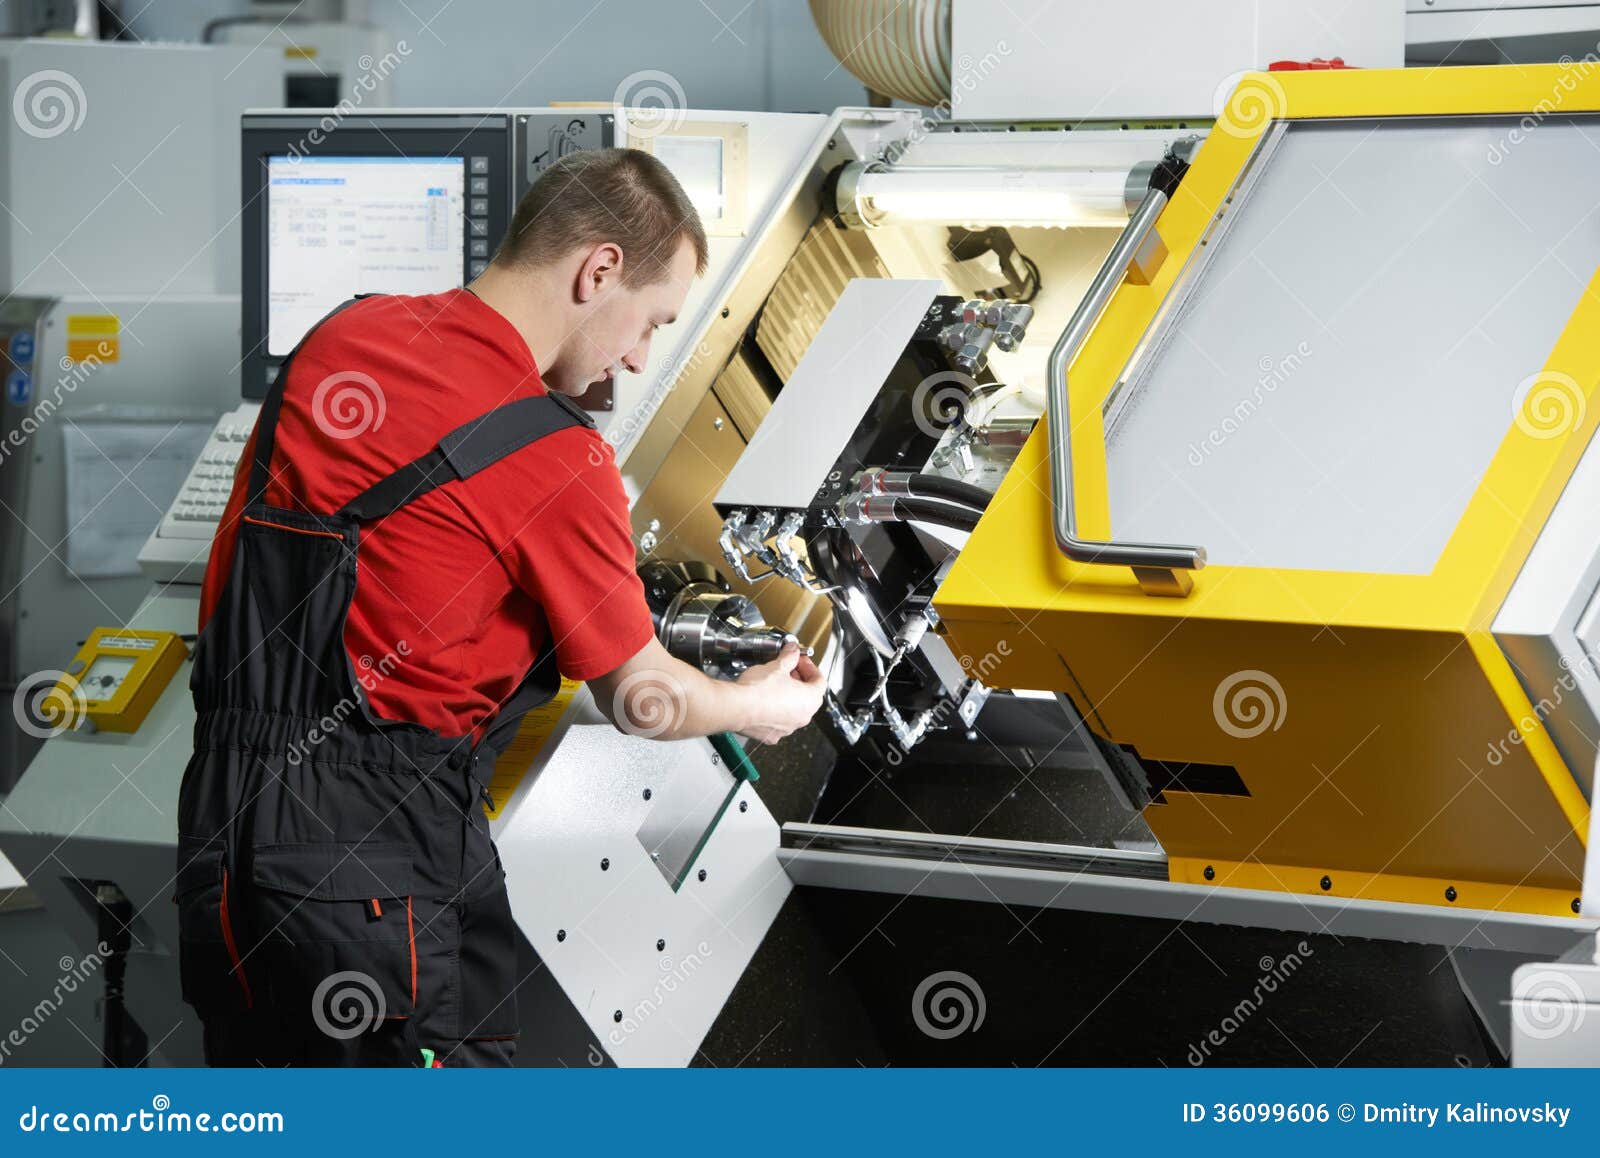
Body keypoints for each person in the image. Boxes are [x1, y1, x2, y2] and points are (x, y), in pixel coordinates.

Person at [174, 148, 825, 1067]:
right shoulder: (560, 457)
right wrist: (760, 705)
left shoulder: (344, 335)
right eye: (650, 322)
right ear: (598, 270)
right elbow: (645, 700)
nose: (639, 357)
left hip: (223, 839)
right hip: (376, 865)